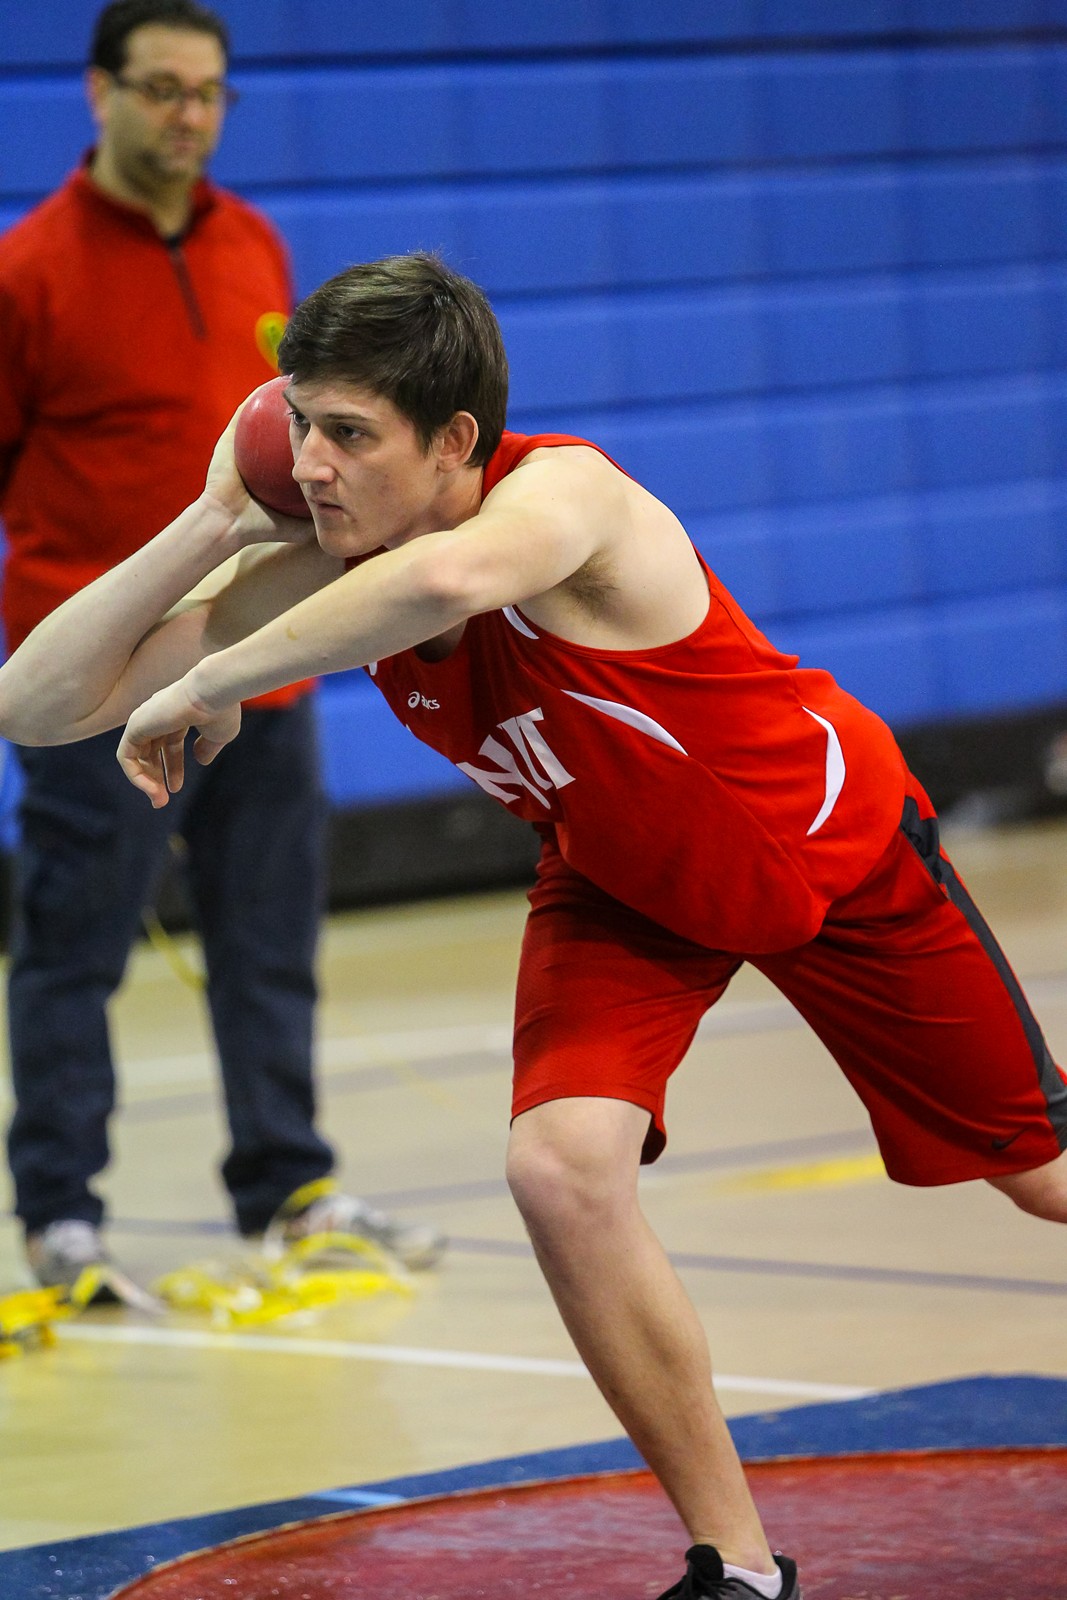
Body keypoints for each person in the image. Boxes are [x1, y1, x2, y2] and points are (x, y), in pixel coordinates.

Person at [1, 252, 1065, 1600]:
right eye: (302, 426)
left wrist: (208, 676)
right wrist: (212, 523)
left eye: (349, 435)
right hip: (624, 883)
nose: (314, 466)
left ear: (453, 441)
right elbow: (36, 705)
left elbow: (451, 585)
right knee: (561, 1169)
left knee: (1042, 1180)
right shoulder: (332, 559)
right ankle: (739, 1568)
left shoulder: (566, 499)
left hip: (827, 852)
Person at [0, 2, 444, 1294]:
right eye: (160, 89)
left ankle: (288, 1186)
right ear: (101, 94)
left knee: (268, 936)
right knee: (77, 944)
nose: (184, 115)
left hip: (262, 658)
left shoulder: (255, 243)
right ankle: (62, 1216)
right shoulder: (29, 272)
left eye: (207, 93)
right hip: (101, 683)